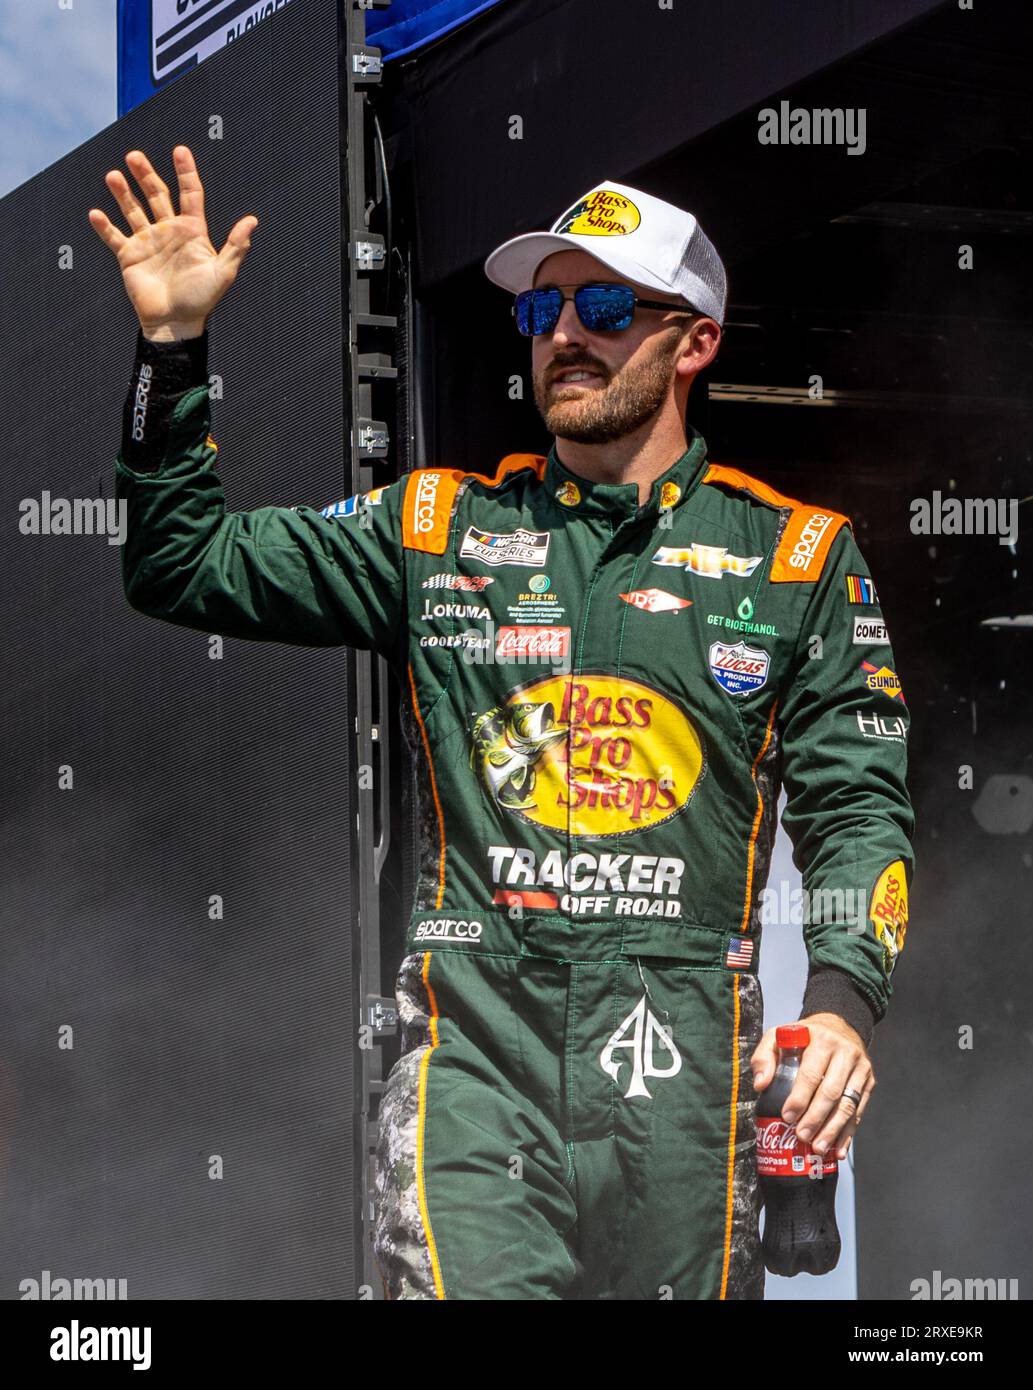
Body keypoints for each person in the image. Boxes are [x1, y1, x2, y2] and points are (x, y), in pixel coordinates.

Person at [91, 149, 914, 1300]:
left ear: (696, 341)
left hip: (686, 1090)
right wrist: (171, 353)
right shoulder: (437, 527)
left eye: (608, 304)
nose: (564, 333)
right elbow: (181, 565)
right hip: (479, 1066)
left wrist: (838, 1014)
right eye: (542, 307)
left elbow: (858, 811)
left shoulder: (796, 560)